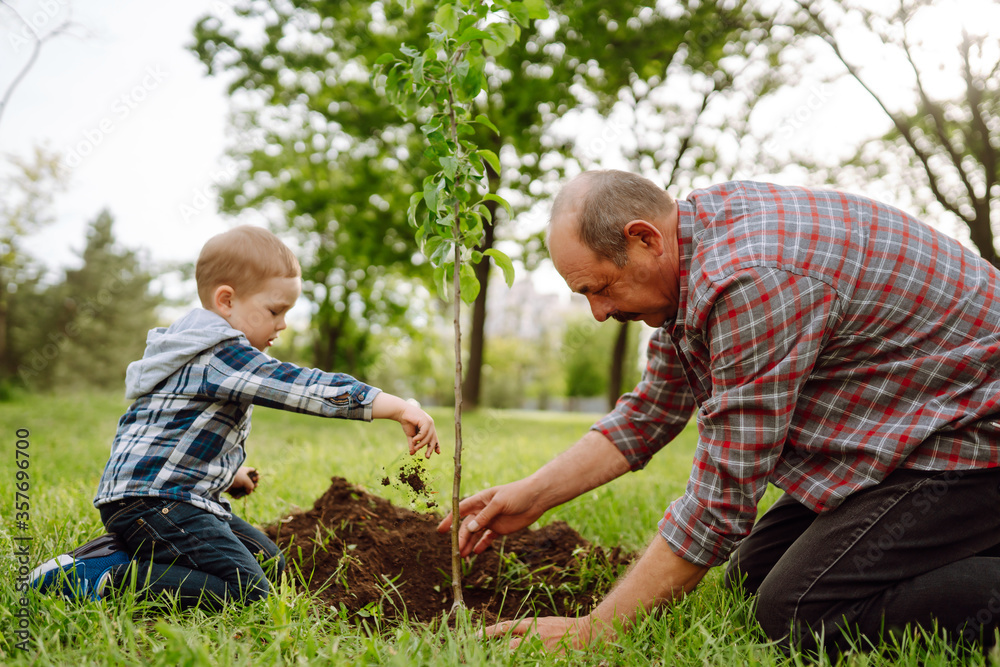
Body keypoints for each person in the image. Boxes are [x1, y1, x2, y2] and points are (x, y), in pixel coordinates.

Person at [439, 170, 1000, 655]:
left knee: (793, 615)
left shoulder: (749, 278)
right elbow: (651, 413)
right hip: (909, 428)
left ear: (643, 238)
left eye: (601, 288)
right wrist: (532, 495)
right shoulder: (692, 251)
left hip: (971, 436)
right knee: (746, 584)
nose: (599, 313)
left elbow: (722, 500)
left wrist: (596, 630)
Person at [31, 225, 440, 609]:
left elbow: (173, 431)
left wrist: (230, 473)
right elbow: (303, 387)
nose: (282, 325)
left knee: (270, 564)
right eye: (275, 310)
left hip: (168, 497)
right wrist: (396, 406)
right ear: (226, 300)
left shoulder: (195, 348)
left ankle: (127, 551)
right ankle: (103, 577)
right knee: (247, 590)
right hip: (155, 503)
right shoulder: (222, 354)